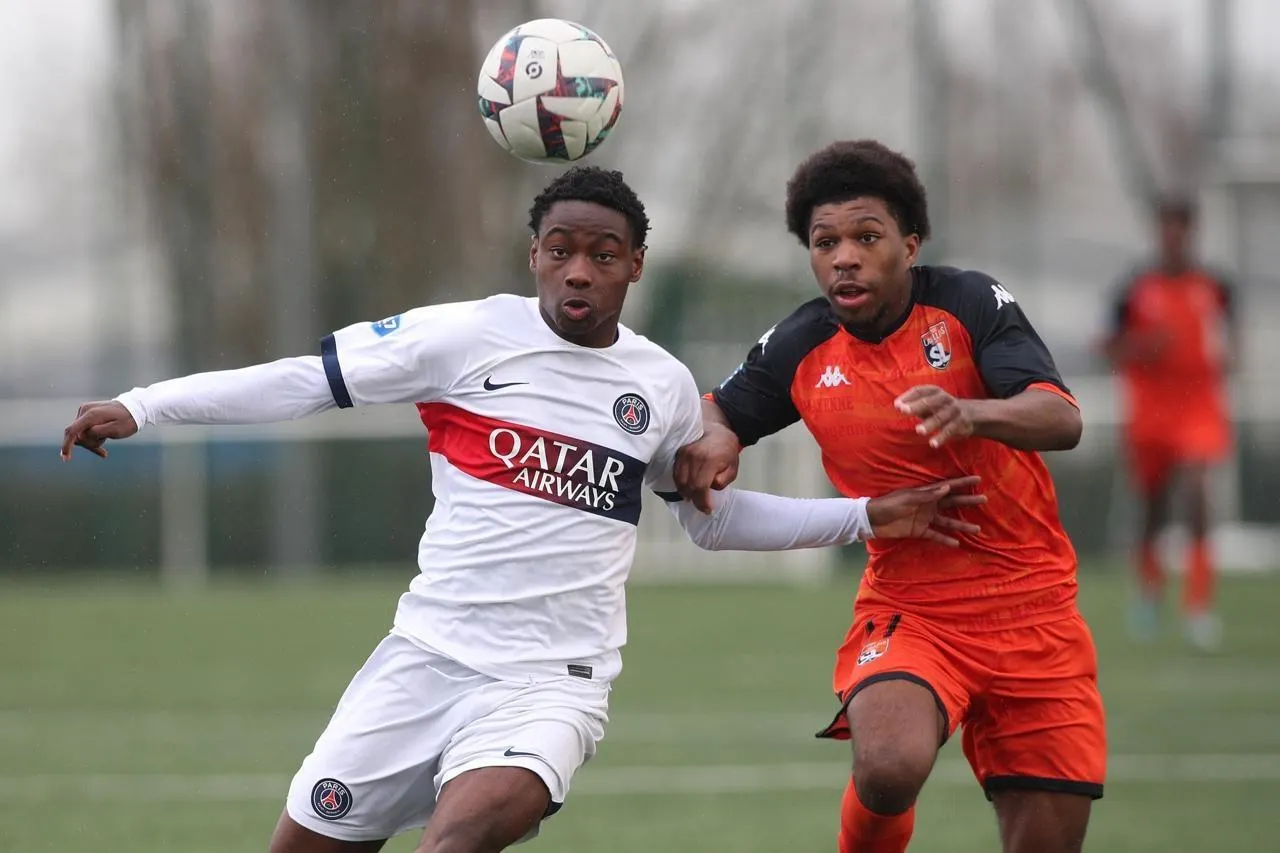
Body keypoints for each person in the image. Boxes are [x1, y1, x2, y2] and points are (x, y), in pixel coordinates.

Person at [61, 166, 986, 853]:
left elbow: (710, 519)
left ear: (634, 266)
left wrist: (862, 514)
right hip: (422, 659)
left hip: (552, 681)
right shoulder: (462, 337)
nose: (578, 271)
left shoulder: (660, 386)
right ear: (534, 257)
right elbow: (304, 382)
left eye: (602, 254)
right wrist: (146, 405)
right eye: (561, 251)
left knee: (454, 845)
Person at [674, 141, 1102, 853]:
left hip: (1037, 608)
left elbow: (1061, 417)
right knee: (888, 763)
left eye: (866, 237)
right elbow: (719, 409)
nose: (844, 256)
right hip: (913, 608)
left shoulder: (967, 303)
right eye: (825, 242)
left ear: (909, 244)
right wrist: (719, 436)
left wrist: (976, 413)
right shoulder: (801, 343)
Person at [1101, 197, 1235, 650]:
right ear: (1159, 232)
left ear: (1191, 232)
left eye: (1181, 229)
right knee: (1153, 508)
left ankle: (1198, 606)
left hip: (1199, 408)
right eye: (1166, 229)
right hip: (1150, 413)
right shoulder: (1136, 287)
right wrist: (1143, 348)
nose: (1173, 238)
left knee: (1198, 497)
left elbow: (1230, 340)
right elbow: (1109, 347)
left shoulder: (1215, 286)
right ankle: (1149, 594)